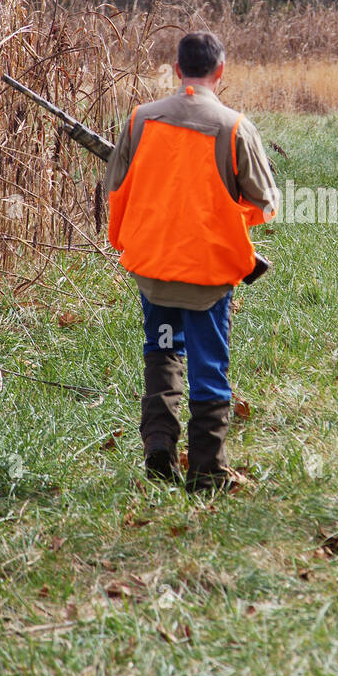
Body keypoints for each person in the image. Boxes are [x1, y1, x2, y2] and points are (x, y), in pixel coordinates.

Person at [104, 31, 277, 490]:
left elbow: (116, 187)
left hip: (155, 273)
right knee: (207, 363)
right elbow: (264, 203)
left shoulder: (140, 119)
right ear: (220, 72)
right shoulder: (234, 126)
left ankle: (159, 443)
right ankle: (206, 471)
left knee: (161, 350)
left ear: (176, 69)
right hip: (207, 279)